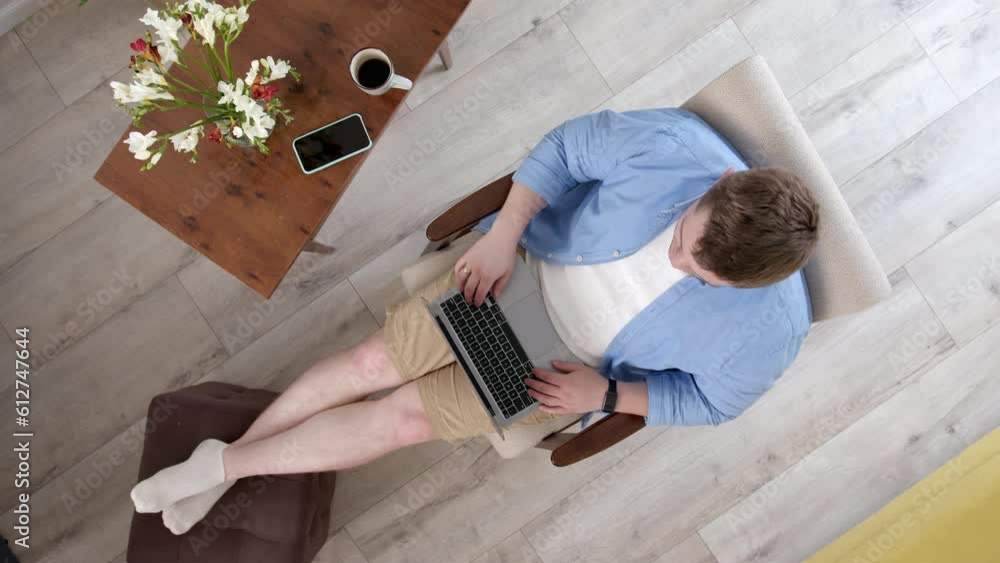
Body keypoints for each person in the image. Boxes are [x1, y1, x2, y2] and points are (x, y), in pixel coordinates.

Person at [130, 109, 819, 534]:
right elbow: (563, 150)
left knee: (400, 419)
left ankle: (224, 464)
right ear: (723, 184)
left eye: (700, 275)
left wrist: (607, 397)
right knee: (371, 365)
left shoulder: (771, 329)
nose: (675, 260)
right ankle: (217, 469)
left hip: (561, 371)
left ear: (757, 282)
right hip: (518, 269)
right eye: (683, 238)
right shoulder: (671, 144)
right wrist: (502, 232)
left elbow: (713, 401)